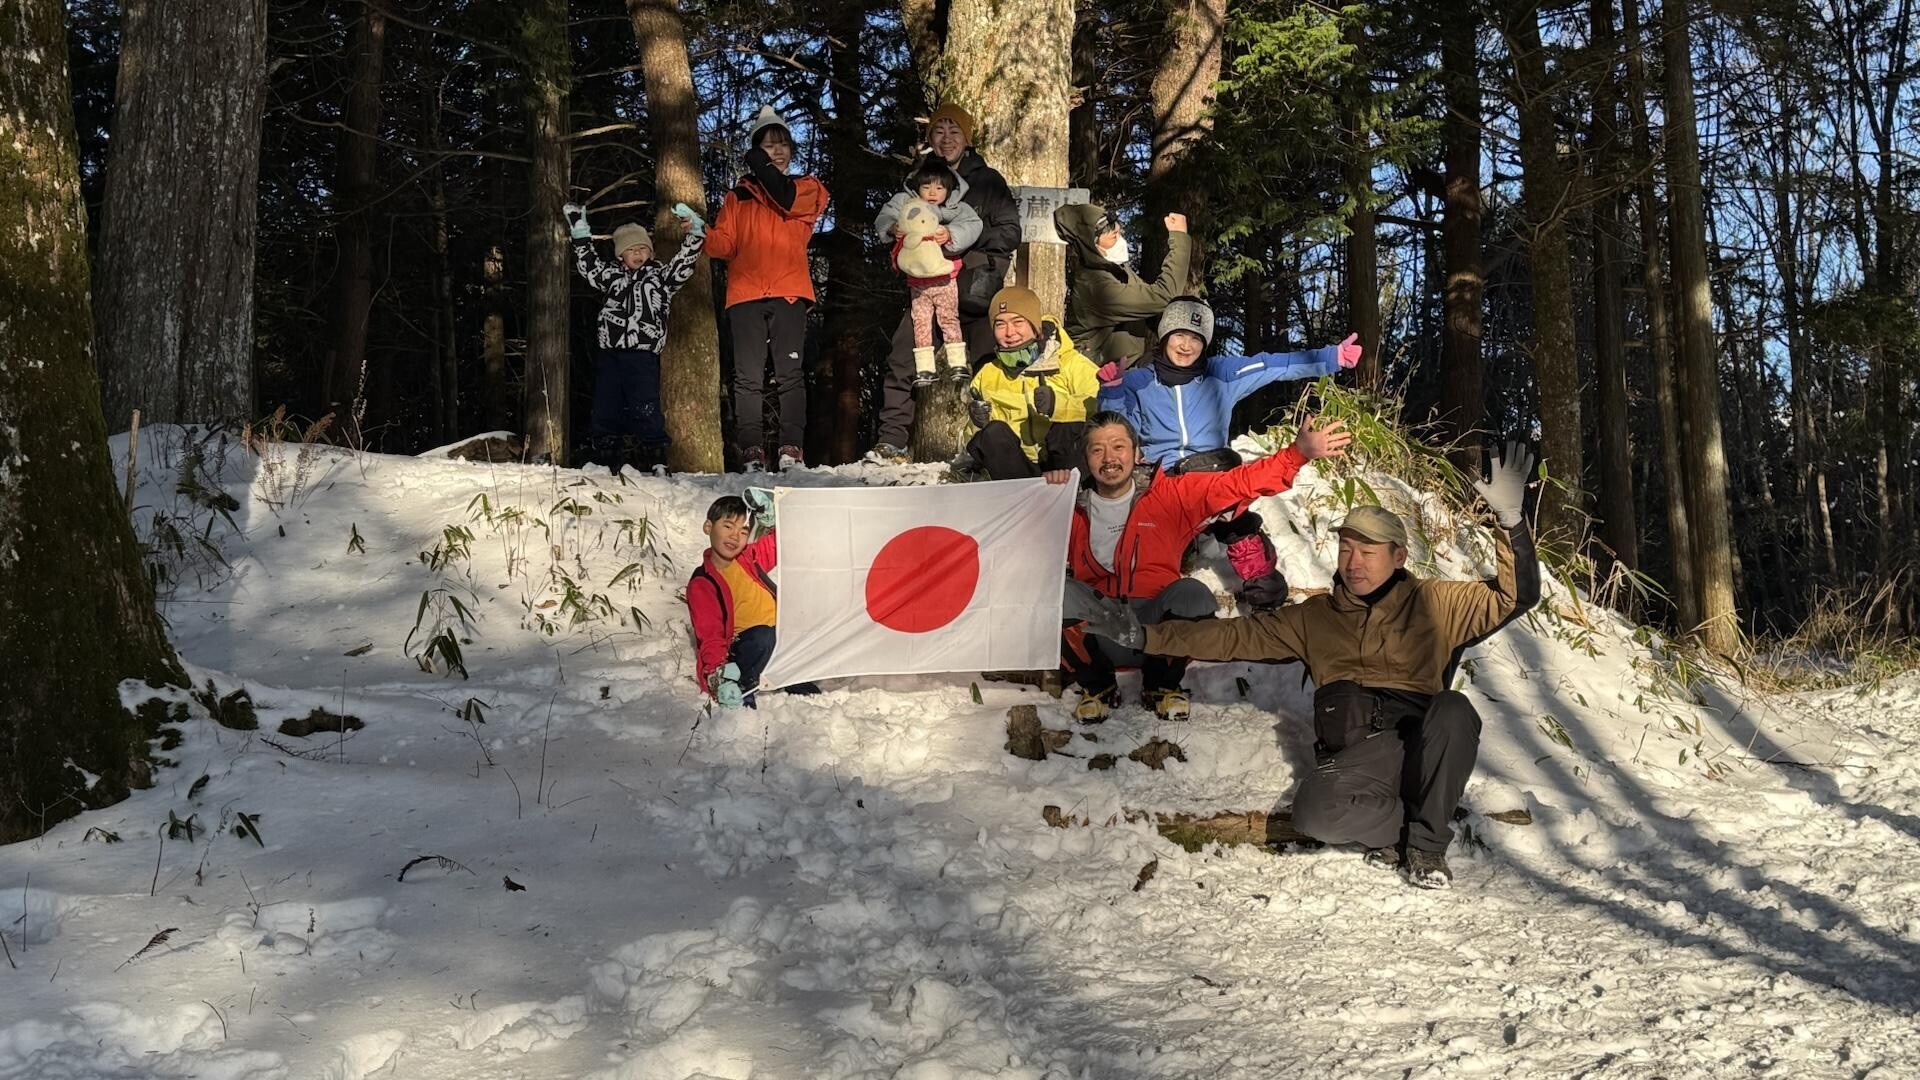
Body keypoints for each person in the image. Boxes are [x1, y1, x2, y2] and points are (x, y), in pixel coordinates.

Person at [1077, 444, 1541, 889]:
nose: (1353, 563)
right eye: (1345, 551)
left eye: (1368, 552)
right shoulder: (1315, 618)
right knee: (1312, 816)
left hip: (1421, 743)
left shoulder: (1437, 603)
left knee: (1455, 709)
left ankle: (1425, 847)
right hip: (1355, 758)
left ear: (1399, 556)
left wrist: (1511, 522)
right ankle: (1423, 817)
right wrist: (1148, 636)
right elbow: (1234, 635)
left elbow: (1512, 596)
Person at [1048, 411, 1352, 722]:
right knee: (1056, 594)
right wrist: (1046, 492)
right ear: (1086, 457)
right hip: (1101, 630)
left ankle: (1161, 685)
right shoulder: (1068, 503)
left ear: (1137, 453)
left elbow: (1238, 483)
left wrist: (1296, 454)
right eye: (1097, 449)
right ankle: (1098, 687)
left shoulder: (1171, 496)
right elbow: (1017, 536)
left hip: (1158, 632)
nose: (1109, 458)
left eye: (1118, 446)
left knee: (1193, 593)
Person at [1100, 296, 1364, 610]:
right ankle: (1154, 584)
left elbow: (1274, 365)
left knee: (1230, 492)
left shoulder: (1221, 373)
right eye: (1179, 335)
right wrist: (1112, 391)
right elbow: (1117, 432)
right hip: (1164, 480)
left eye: (1196, 339)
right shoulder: (1138, 381)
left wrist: (1331, 357)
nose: (1187, 345)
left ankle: (1263, 586)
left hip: (1211, 471)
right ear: (1164, 336)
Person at [868, 104, 1020, 464]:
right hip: (928, 287)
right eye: (939, 131)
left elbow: (1010, 231)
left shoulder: (987, 181)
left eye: (954, 132)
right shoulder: (917, 181)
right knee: (903, 356)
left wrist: (958, 244)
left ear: (967, 139)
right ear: (929, 138)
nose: (946, 139)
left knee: (986, 365)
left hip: (973, 289)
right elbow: (895, 219)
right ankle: (891, 442)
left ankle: (993, 444)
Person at [704, 106, 829, 472]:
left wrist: (758, 163)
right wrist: (700, 233)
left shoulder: (807, 188)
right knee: (747, 377)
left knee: (790, 373)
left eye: (783, 144)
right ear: (756, 149)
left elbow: (784, 197)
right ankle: (752, 450)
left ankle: (792, 448)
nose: (777, 151)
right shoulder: (737, 197)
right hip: (744, 294)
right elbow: (725, 247)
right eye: (768, 145)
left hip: (789, 291)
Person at [562, 201, 706, 473]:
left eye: (642, 248)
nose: (638, 254)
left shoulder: (660, 278)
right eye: (631, 250)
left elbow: (683, 264)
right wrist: (580, 232)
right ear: (620, 256)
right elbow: (588, 265)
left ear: (650, 252)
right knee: (606, 405)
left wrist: (695, 235)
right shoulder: (611, 277)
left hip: (643, 354)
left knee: (645, 405)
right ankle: (605, 458)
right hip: (611, 354)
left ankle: (656, 457)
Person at [954, 286, 1100, 480]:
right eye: (1000, 324)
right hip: (1018, 472)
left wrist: (1058, 405)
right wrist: (976, 424)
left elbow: (1102, 409)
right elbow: (975, 442)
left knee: (1066, 425)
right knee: (992, 433)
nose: (1009, 333)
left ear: (1035, 326)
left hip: (1067, 467)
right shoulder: (988, 374)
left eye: (1018, 322)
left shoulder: (1072, 363)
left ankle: (1072, 495)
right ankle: (1023, 501)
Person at [686, 493, 817, 707]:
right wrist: (717, 674)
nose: (735, 537)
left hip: (778, 637)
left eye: (743, 531)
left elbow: (779, 544)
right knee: (763, 637)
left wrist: (773, 522)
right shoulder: (703, 582)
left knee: (800, 620)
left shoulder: (747, 558)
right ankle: (741, 685)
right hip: (743, 647)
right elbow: (710, 635)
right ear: (708, 527)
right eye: (728, 526)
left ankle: (794, 678)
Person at [874, 156, 985, 387]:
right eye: (926, 186)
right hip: (917, 281)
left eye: (939, 187)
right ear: (917, 188)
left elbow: (973, 225)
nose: (933, 192)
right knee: (920, 322)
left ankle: (958, 362)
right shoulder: (906, 204)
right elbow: (886, 216)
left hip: (945, 278)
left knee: (949, 319)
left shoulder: (957, 209)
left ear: (949, 190)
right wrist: (892, 228)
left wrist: (951, 234)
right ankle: (924, 368)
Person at [1054, 203, 1193, 374]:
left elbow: (1150, 303)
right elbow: (1163, 296)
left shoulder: (1115, 270)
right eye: (1114, 237)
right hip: (1096, 381)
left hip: (1123, 370)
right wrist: (1179, 238)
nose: (1121, 242)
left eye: (1120, 233)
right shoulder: (1096, 287)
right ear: (1092, 246)